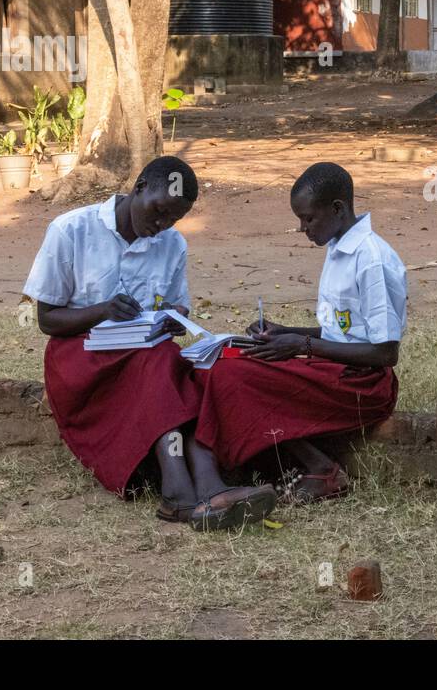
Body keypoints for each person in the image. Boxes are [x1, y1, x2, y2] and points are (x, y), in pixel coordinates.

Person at [22, 155, 274, 531]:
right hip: (81, 359)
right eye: (158, 211)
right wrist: (102, 310)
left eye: (172, 219)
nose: (161, 225)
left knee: (192, 369)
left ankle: (200, 485)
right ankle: (183, 487)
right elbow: (48, 321)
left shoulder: (172, 244)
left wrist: (172, 317)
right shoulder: (71, 230)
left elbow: (175, 304)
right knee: (159, 365)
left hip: (144, 357)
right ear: (138, 188)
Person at [195, 162, 406, 502]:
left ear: (338, 209)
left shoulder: (371, 260)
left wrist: (301, 345)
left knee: (233, 377)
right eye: (300, 220)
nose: (302, 228)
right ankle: (249, 464)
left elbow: (384, 353)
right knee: (229, 361)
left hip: (364, 384)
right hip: (337, 368)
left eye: (309, 219)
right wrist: (285, 332)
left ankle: (320, 469)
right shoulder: (339, 248)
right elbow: (343, 332)